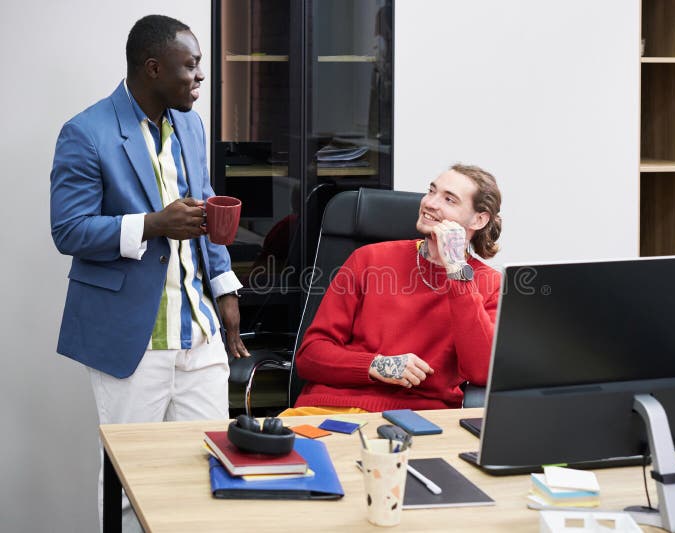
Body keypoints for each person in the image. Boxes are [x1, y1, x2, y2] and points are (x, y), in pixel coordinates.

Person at [50, 14, 249, 529]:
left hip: (199, 333)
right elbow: (68, 231)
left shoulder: (190, 123)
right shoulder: (86, 133)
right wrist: (152, 225)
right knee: (128, 477)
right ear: (154, 68)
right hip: (132, 341)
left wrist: (224, 289)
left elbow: (206, 206)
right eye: (191, 66)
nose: (201, 76)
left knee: (211, 468)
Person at [283, 164, 502, 415]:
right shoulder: (368, 259)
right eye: (431, 191)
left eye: (449, 199)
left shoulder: (488, 283)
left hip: (417, 420)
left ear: (479, 219)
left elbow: (482, 371)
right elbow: (310, 357)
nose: (430, 203)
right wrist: (377, 365)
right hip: (329, 408)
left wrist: (456, 269)